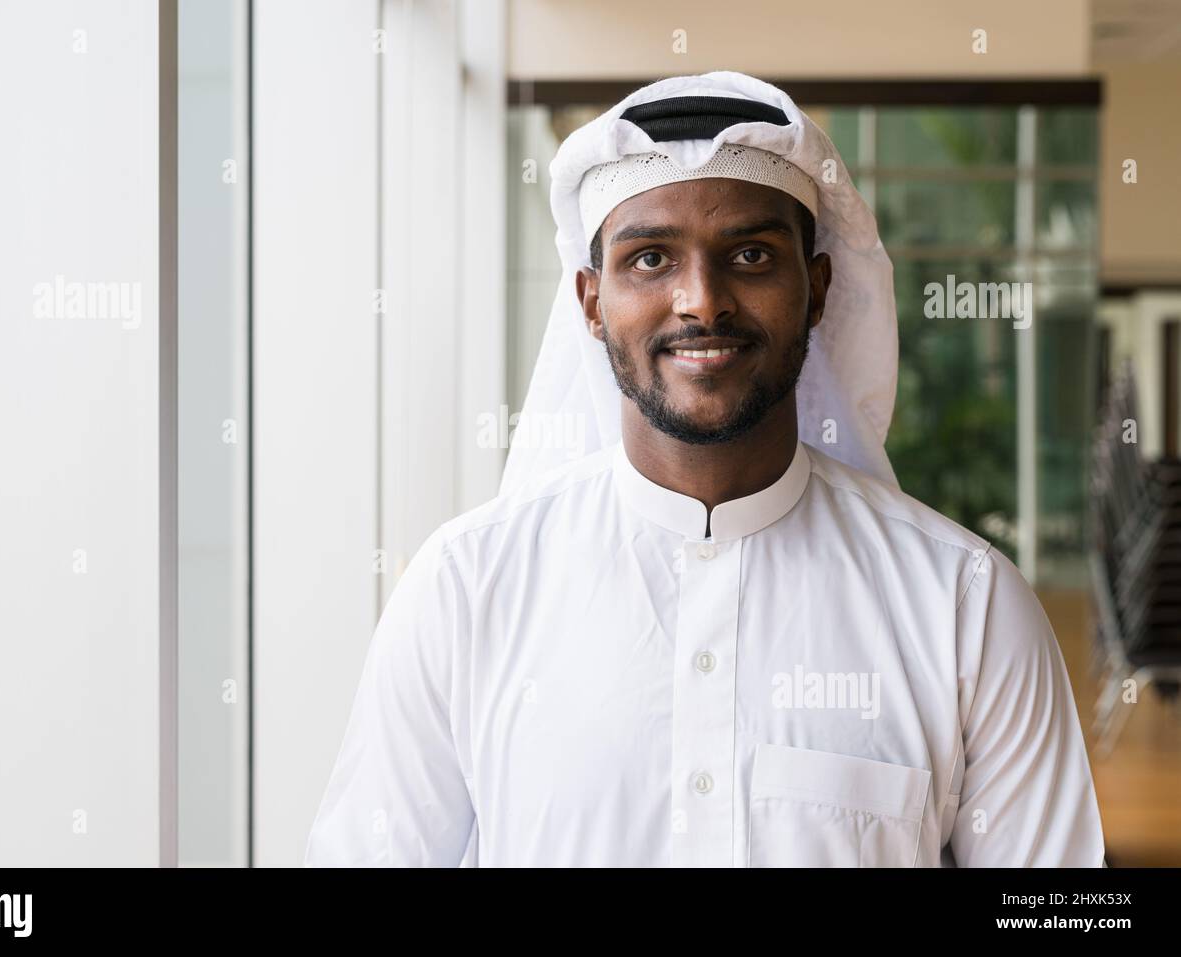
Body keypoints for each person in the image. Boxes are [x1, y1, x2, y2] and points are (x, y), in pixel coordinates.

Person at [304, 71, 1107, 867]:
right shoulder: (465, 592)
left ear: (817, 287)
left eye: (750, 254)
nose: (701, 301)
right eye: (650, 258)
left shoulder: (964, 606)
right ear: (591, 302)